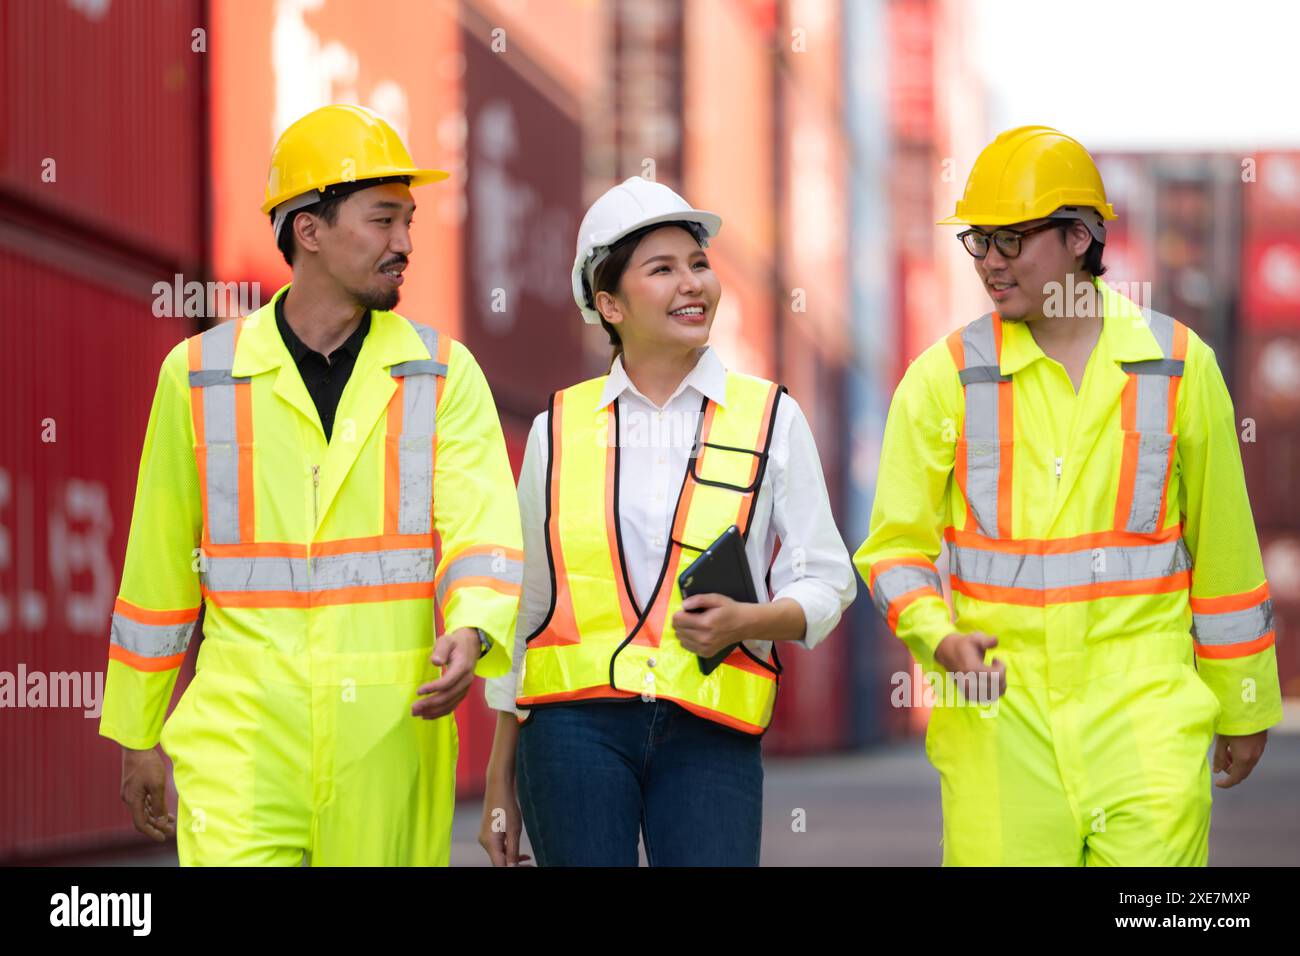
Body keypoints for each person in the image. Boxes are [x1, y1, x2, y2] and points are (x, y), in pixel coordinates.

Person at [99, 104, 524, 866]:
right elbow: (158, 570)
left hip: (389, 741)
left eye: (410, 221)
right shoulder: (199, 375)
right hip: (242, 747)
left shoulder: (440, 373)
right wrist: (137, 733)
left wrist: (474, 626)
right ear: (310, 230)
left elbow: (482, 526)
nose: (405, 244)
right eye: (383, 219)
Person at [855, 125, 1282, 866]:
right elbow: (895, 549)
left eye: (1012, 240)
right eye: (978, 240)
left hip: (1145, 724)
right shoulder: (941, 379)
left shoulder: (1180, 367)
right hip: (996, 723)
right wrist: (938, 637)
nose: (990, 262)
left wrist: (1244, 702)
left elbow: (1226, 558)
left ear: (1081, 236)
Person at [476, 176, 856, 866]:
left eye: (699, 264)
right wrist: (499, 780)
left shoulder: (772, 416)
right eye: (663, 269)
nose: (693, 284)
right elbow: (525, 610)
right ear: (609, 303)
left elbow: (828, 580)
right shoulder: (555, 429)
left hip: (711, 732)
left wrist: (752, 620)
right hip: (570, 732)